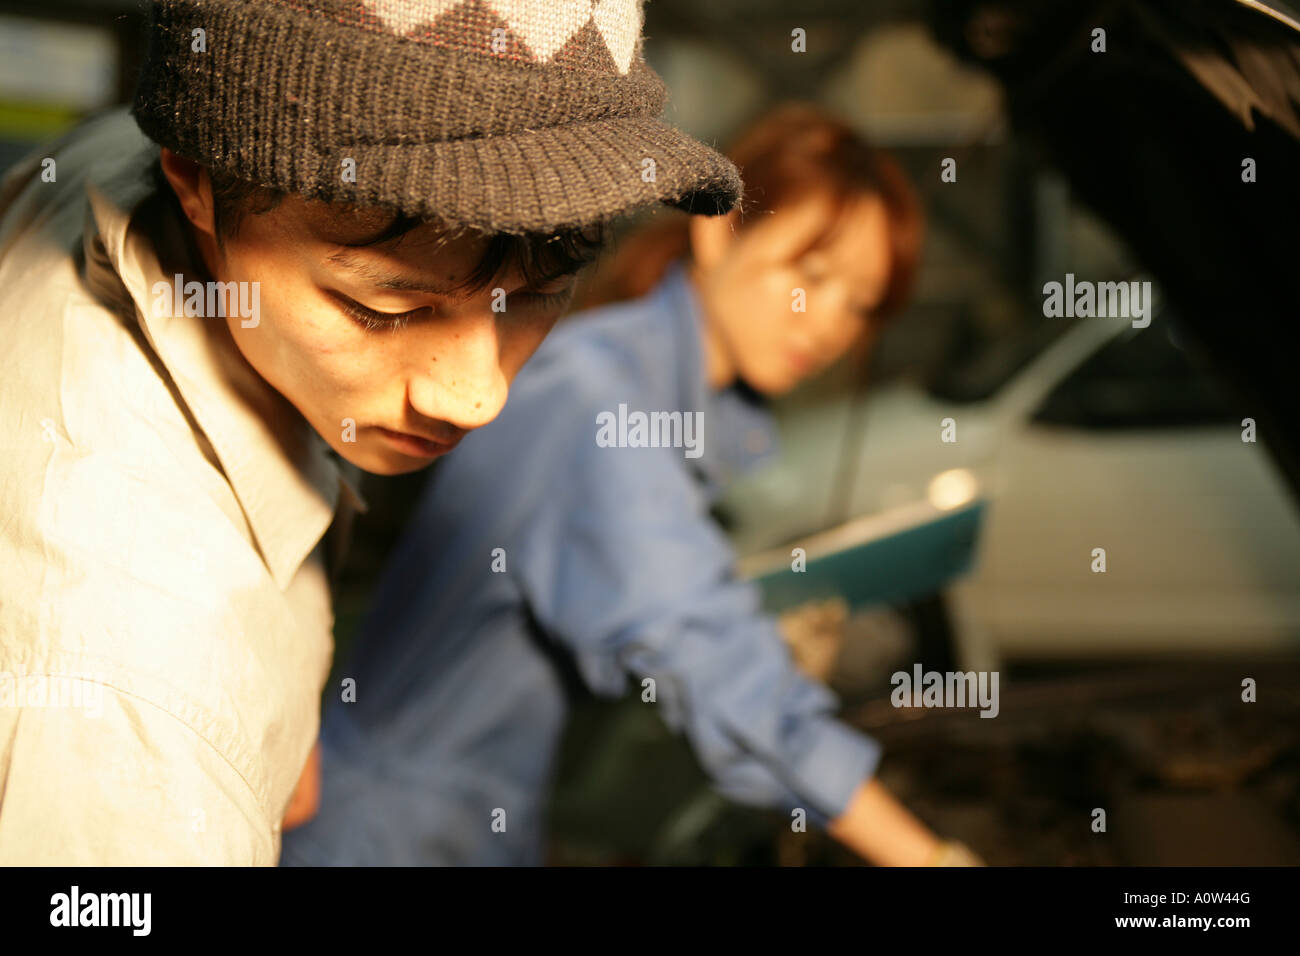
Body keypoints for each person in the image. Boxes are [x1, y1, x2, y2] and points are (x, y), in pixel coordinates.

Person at [0, 0, 739, 864]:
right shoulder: (129, 723)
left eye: (540, 289)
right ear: (195, 182)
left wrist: (272, 709)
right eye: (385, 306)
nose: (477, 396)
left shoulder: (139, 156)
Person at [283, 104, 982, 866]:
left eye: (862, 304)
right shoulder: (599, 397)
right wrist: (928, 858)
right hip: (390, 834)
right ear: (720, 232)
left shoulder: (655, 389)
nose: (827, 324)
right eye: (810, 276)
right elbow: (706, 654)